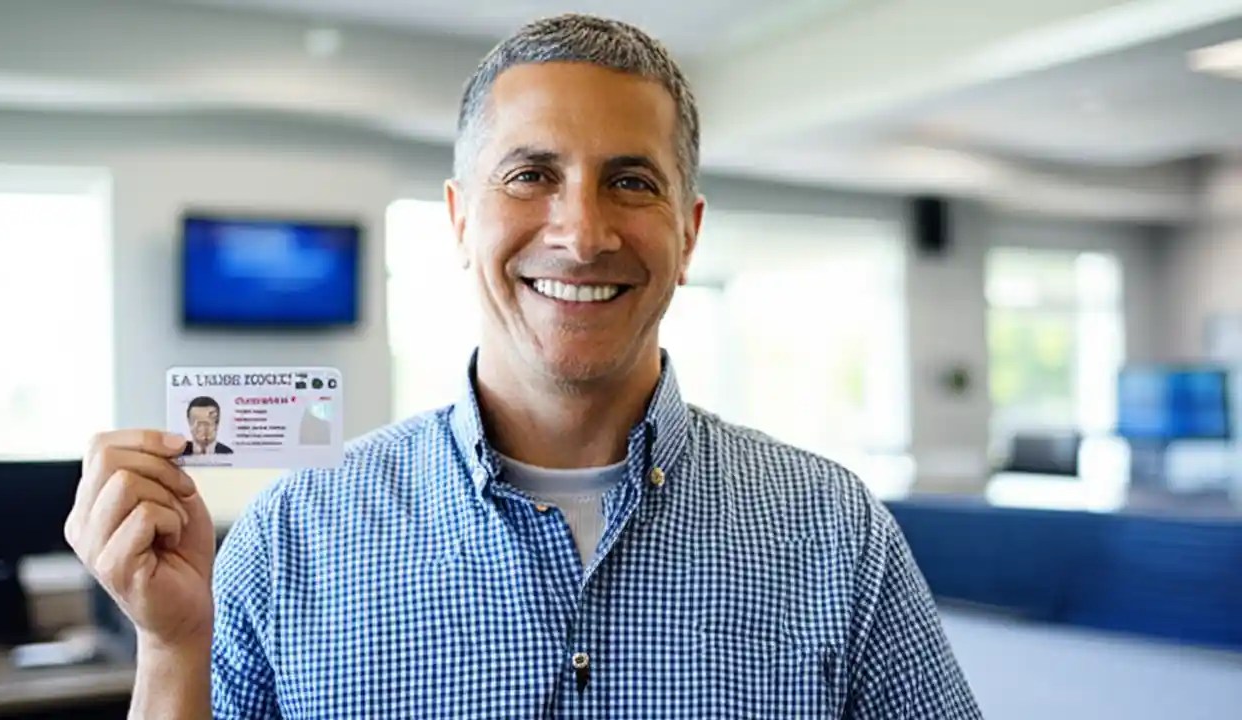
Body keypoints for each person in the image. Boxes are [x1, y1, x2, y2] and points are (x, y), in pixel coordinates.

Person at [63, 14, 982, 718]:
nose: (581, 234)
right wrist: (171, 649)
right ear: (460, 221)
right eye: (530, 174)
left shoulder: (833, 533)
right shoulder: (290, 538)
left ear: (689, 234)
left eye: (631, 181)